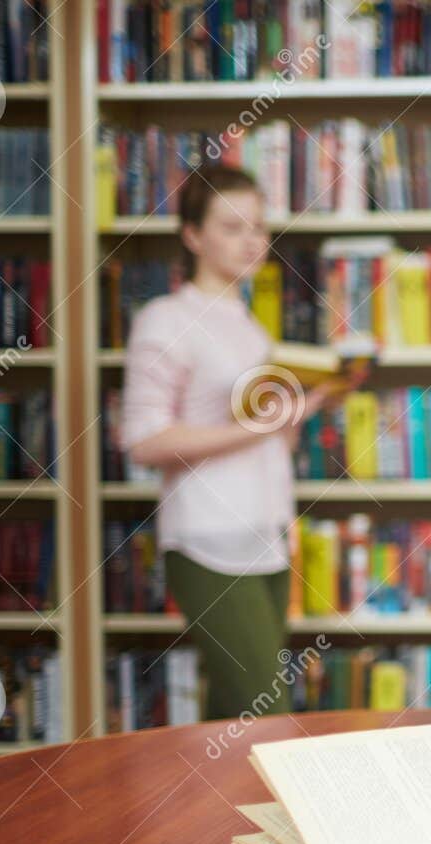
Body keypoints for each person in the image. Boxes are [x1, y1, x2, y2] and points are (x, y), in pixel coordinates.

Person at [121, 164, 322, 720]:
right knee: (268, 709)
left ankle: (216, 811)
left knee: (233, 714)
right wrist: (252, 428)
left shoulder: (249, 325)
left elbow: (261, 440)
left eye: (258, 227)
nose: (251, 240)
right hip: (207, 539)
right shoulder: (165, 320)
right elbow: (142, 440)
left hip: (267, 535)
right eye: (232, 227)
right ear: (192, 236)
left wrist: (302, 410)